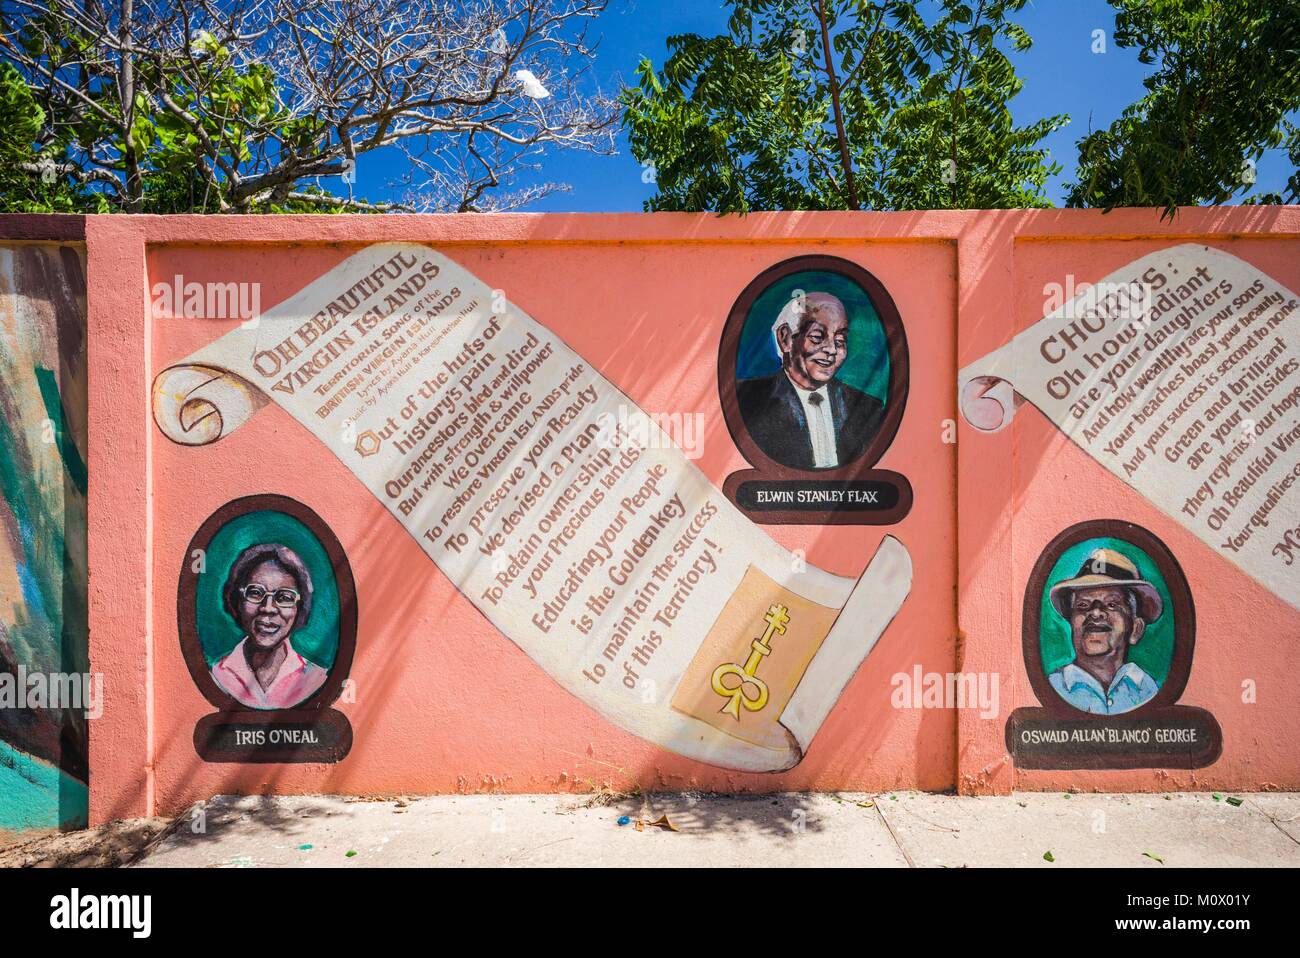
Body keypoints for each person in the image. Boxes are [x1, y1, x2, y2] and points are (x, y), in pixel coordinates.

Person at [735, 291, 885, 470]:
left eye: (840, 339)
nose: (831, 349)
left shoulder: (868, 409)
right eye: (817, 336)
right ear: (785, 338)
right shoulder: (746, 401)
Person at [1046, 547, 1163, 715]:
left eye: (1112, 604)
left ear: (1136, 629)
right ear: (1072, 624)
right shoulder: (1054, 687)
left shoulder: (1148, 690)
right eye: (1083, 605)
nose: (1095, 613)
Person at [211, 543, 327, 709]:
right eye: (256, 593)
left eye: (285, 597)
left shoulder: (315, 679)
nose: (268, 608)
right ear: (238, 600)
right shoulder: (217, 676)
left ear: (299, 607)